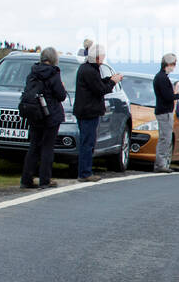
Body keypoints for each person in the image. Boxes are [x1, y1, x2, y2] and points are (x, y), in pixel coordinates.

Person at [74, 44, 124, 181]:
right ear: (97, 57)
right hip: (89, 111)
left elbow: (98, 84)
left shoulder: (87, 68)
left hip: (85, 110)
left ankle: (85, 171)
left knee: (88, 141)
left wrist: (109, 79)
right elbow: (100, 90)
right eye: (102, 56)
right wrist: (113, 82)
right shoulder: (90, 70)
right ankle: (85, 173)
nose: (104, 58)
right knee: (88, 142)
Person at [20, 47, 68, 189]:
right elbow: (61, 96)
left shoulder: (32, 73)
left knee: (34, 146)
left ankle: (26, 179)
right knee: (47, 148)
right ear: (54, 59)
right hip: (51, 114)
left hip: (35, 113)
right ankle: (44, 180)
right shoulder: (53, 74)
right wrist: (63, 87)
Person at [153, 53, 177, 172]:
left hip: (164, 110)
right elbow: (167, 96)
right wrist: (178, 95)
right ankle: (160, 164)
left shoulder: (161, 77)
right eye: (174, 64)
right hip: (164, 111)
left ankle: (162, 163)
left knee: (165, 138)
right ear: (169, 64)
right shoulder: (162, 78)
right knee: (165, 138)